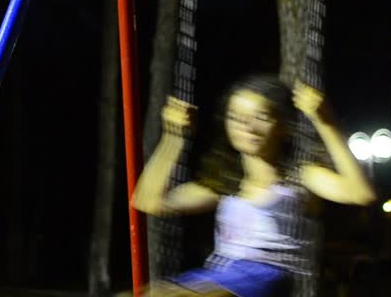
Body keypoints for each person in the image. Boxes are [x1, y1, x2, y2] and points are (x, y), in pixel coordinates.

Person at [133, 74, 376, 297]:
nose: (246, 126)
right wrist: (173, 137)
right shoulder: (226, 186)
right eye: (235, 117)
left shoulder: (299, 178)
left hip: (265, 277)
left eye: (260, 117)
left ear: (284, 126)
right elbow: (148, 201)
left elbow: (360, 193)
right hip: (218, 273)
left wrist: (326, 123)